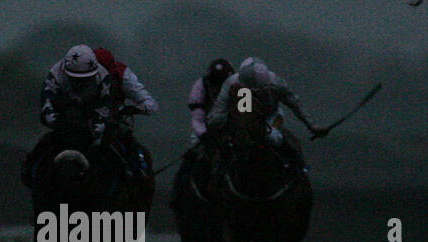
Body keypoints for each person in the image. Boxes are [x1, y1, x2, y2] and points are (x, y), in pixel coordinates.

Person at [206, 57, 328, 177]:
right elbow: (217, 113)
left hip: (271, 116)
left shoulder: (277, 83)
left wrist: (311, 125)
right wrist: (227, 119)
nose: (256, 94)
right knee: (235, 138)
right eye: (251, 90)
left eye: (260, 90)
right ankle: (219, 169)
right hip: (242, 116)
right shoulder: (231, 83)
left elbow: (295, 105)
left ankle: (297, 166)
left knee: (273, 137)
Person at [21, 44, 111, 187]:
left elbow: (104, 109)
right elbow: (46, 105)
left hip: (88, 128)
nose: (80, 83)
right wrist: (60, 123)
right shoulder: (55, 75)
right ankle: (29, 170)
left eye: (85, 79)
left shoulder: (104, 77)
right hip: (63, 124)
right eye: (76, 79)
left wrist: (93, 128)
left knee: (110, 152)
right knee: (42, 149)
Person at [93, 47, 158, 180]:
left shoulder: (123, 75)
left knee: (129, 147)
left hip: (114, 123)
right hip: (86, 120)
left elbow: (151, 104)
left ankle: (139, 175)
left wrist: (134, 109)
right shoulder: (77, 72)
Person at [171, 58, 234, 192]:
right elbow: (197, 117)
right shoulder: (201, 85)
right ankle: (178, 192)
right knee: (192, 157)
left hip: (231, 130)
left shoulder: (239, 87)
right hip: (207, 129)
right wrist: (204, 135)